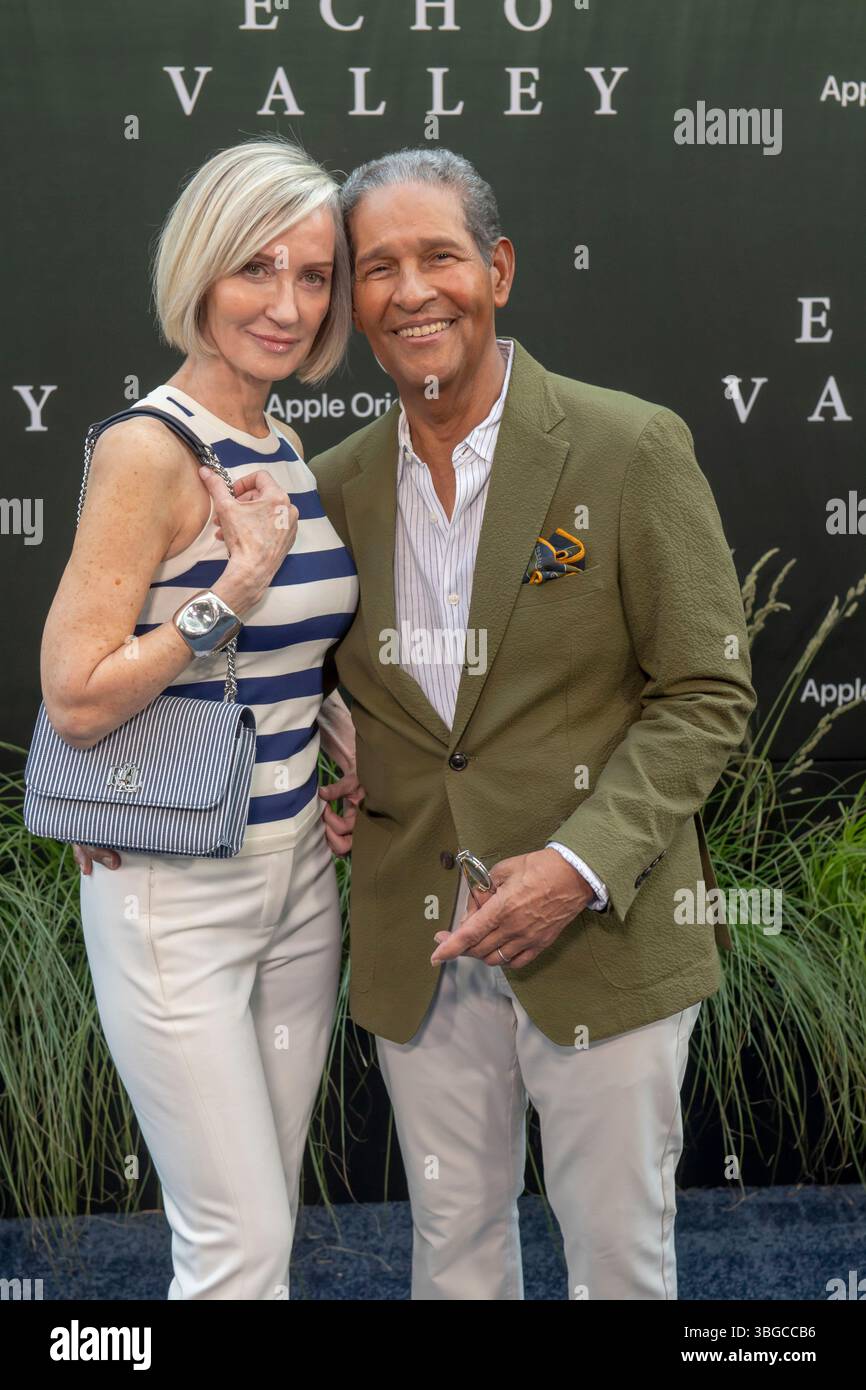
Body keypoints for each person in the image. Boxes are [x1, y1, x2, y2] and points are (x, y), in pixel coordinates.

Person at [305, 147, 758, 1300]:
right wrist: (323, 752)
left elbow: (704, 693)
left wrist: (574, 866)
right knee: (453, 1259)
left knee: (618, 1266)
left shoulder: (626, 446)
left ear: (496, 269)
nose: (411, 291)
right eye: (377, 267)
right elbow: (316, 683)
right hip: (425, 944)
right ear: (352, 301)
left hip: (596, 937)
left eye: (439, 256)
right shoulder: (333, 483)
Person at [43, 134, 362, 1299]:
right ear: (200, 273)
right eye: (255, 269)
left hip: (296, 883)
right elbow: (76, 695)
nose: (285, 304)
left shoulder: (279, 444)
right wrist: (231, 590)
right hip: (174, 887)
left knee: (262, 1221)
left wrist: (343, 729)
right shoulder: (149, 447)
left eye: (313, 275)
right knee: (236, 1251)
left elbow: (296, 653)